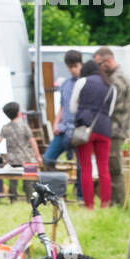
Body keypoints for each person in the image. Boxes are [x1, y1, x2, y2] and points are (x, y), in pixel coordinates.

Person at [68, 58, 116, 208]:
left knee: (86, 168)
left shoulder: (82, 82)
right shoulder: (111, 86)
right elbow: (111, 111)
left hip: (85, 129)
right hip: (104, 129)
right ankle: (105, 203)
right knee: (103, 168)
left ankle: (89, 204)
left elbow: (72, 108)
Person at [94, 46, 130, 206]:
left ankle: (117, 203)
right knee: (110, 165)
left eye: (99, 64)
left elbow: (110, 104)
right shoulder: (116, 76)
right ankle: (113, 200)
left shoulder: (118, 79)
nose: (99, 68)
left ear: (108, 61)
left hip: (115, 129)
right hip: (114, 128)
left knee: (114, 166)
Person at [42, 50, 84, 192]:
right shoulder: (65, 84)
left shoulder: (85, 83)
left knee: (81, 165)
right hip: (64, 128)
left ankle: (79, 193)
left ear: (81, 64)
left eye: (75, 66)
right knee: (48, 159)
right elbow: (62, 107)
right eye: (70, 67)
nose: (73, 70)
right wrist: (55, 123)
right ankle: (55, 188)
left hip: (79, 130)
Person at [0, 101, 40, 201]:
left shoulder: (5, 127)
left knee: (13, 181)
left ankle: (13, 199)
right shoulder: (24, 126)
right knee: (30, 181)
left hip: (12, 161)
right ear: (18, 112)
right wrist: (37, 155)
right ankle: (31, 199)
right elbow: (32, 141)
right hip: (26, 159)